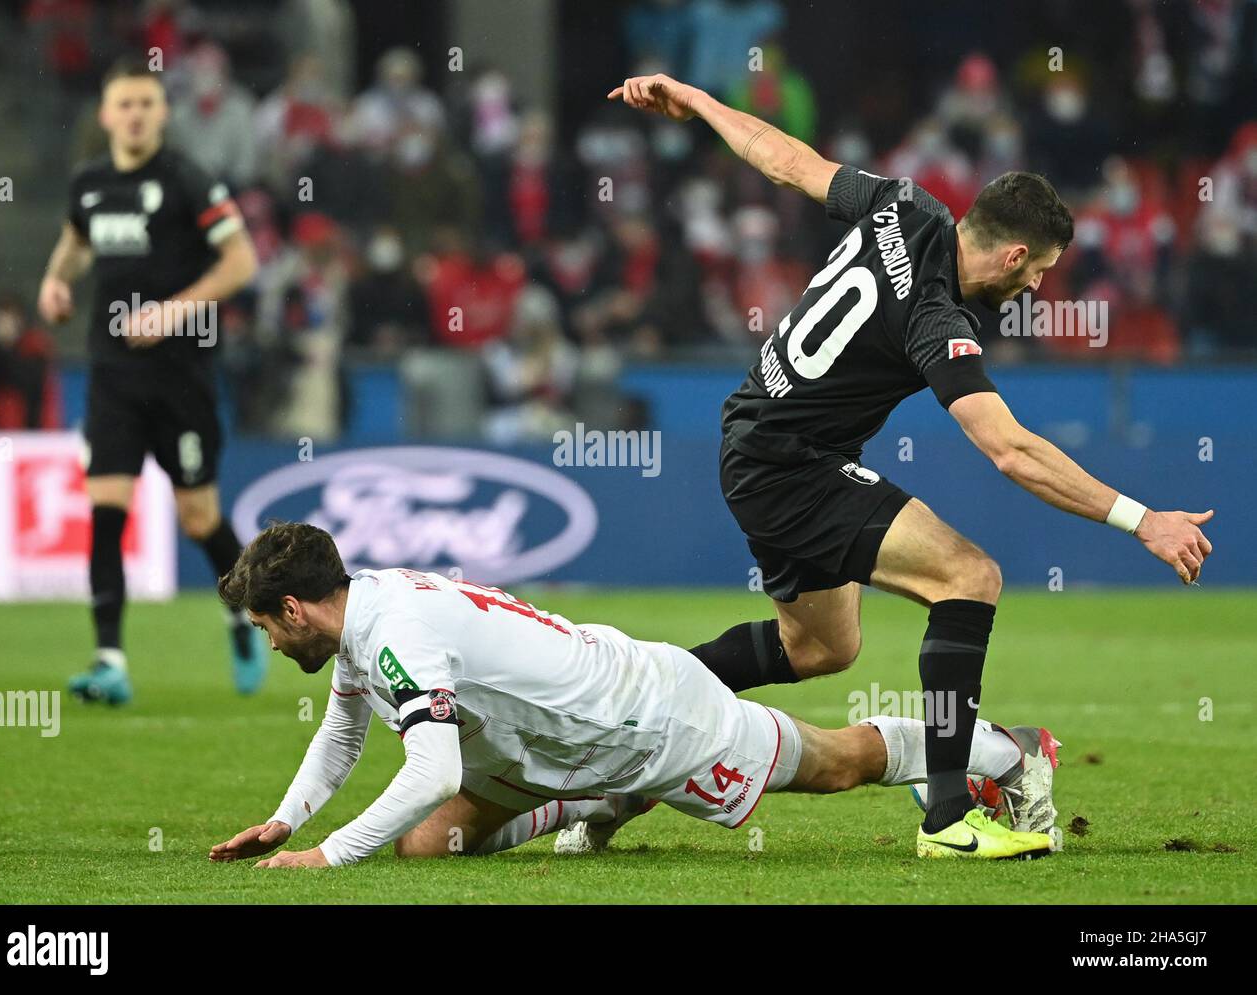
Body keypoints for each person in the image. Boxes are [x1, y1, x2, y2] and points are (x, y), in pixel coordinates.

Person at [606, 73, 1213, 856]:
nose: (1035, 286)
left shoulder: (906, 204)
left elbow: (788, 160)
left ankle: (632, 719)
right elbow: (1010, 449)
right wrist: (1143, 520)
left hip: (756, 437)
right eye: (1038, 271)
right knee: (970, 576)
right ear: (1017, 252)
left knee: (821, 648)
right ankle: (949, 816)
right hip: (791, 462)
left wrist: (697, 103)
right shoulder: (937, 316)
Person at [208, 523, 1059, 868]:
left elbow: (429, 769)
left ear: (293, 608)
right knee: (428, 849)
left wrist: (323, 858)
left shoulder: (396, 631)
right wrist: (290, 819)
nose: (273, 646)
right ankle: (602, 796)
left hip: (654, 719)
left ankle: (1009, 751)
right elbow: (344, 733)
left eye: (266, 628)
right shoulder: (362, 617)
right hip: (561, 745)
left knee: (835, 764)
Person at [36, 57, 265, 705]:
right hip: (113, 375)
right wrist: (57, 280)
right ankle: (109, 660)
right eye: (124, 104)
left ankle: (240, 613)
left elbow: (242, 261)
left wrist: (175, 309)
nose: (135, 114)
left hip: (182, 376)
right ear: (106, 115)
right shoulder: (89, 183)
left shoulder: (188, 180)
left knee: (198, 517)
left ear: (162, 112)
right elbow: (78, 243)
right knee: (106, 508)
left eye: (146, 103)